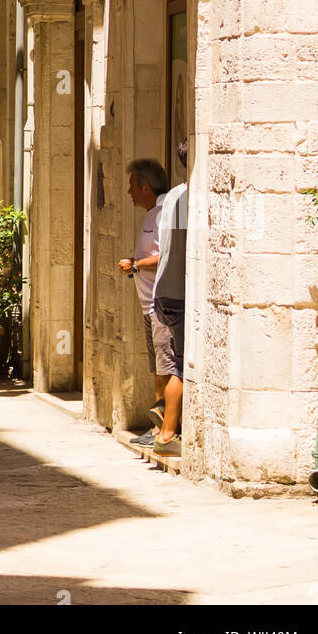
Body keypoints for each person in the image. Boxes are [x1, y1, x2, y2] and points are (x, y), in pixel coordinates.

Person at [119, 157, 170, 448]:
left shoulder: (164, 213)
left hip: (159, 303)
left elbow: (166, 256)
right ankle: (157, 425)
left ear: (146, 187)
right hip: (147, 303)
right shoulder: (153, 212)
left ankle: (165, 428)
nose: (129, 192)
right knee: (156, 366)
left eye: (132, 186)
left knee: (164, 366)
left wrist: (136, 265)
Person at [152, 141, 189, 457]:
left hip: (164, 289)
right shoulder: (192, 197)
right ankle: (166, 436)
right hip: (179, 290)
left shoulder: (174, 195)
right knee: (180, 365)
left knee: (173, 359)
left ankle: (162, 417)